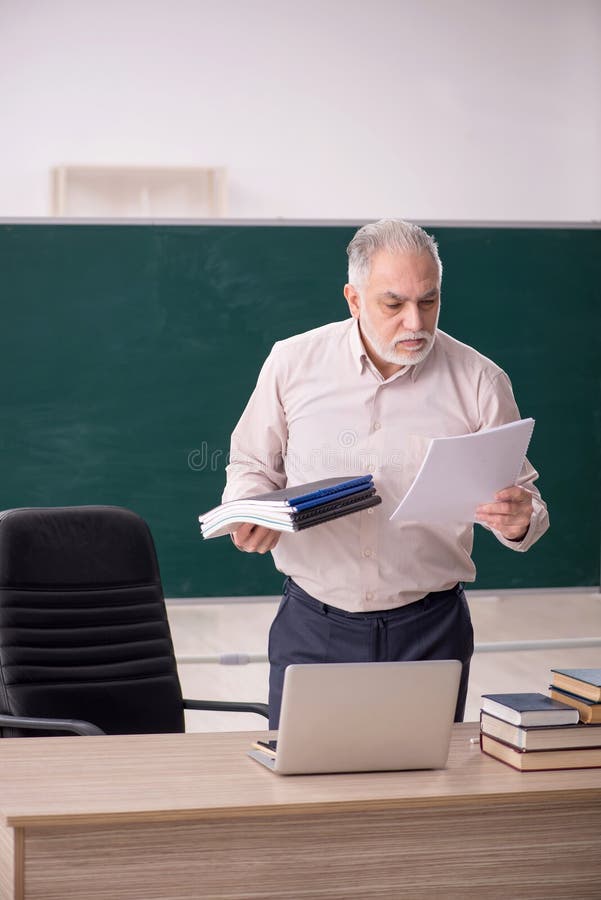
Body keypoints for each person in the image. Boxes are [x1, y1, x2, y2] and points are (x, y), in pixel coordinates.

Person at [222, 219, 549, 726]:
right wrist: (250, 509)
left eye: (429, 301)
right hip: (314, 625)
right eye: (393, 304)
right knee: (304, 797)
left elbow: (524, 497)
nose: (415, 323)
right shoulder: (291, 363)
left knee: (420, 796)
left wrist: (521, 519)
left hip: (431, 630)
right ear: (353, 299)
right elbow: (252, 463)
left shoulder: (481, 380)